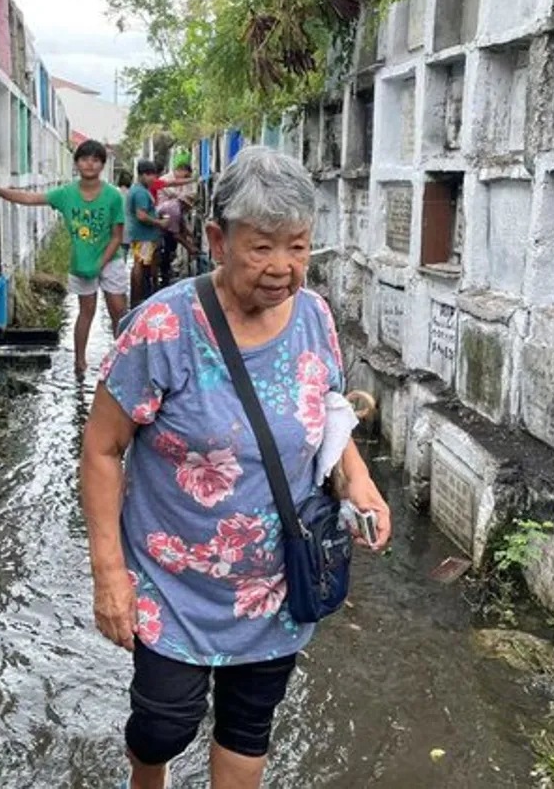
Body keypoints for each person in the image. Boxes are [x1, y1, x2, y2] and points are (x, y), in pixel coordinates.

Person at [80, 146, 393, 789]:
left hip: (274, 584)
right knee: (163, 724)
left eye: (299, 247)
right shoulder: (164, 327)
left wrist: (357, 481)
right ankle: (148, 778)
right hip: (174, 582)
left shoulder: (314, 317)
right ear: (218, 240)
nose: (283, 268)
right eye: (263, 248)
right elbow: (103, 448)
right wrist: (109, 574)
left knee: (248, 724)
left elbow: (329, 414)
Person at [0, 139, 125, 377]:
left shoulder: (113, 196)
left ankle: (122, 359)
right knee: (87, 311)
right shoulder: (66, 194)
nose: (90, 164)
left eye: (96, 160)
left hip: (110, 259)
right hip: (81, 262)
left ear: (102, 165)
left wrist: (100, 264)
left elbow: (117, 236)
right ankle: (80, 362)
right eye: (85, 159)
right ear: (76, 163)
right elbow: (30, 199)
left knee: (118, 310)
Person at [126, 160, 169, 309]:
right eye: (150, 175)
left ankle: (137, 299)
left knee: (142, 265)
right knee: (140, 266)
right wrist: (160, 223)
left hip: (143, 235)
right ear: (142, 175)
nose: (153, 179)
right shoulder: (140, 193)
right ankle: (137, 301)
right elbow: (142, 216)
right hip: (144, 236)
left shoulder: (139, 190)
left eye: (154, 175)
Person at [156, 155, 199, 287]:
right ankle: (163, 276)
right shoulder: (173, 206)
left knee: (169, 247)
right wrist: (190, 247)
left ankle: (164, 274)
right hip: (163, 220)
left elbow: (180, 223)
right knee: (167, 246)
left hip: (166, 218)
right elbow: (176, 233)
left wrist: (189, 235)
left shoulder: (177, 206)